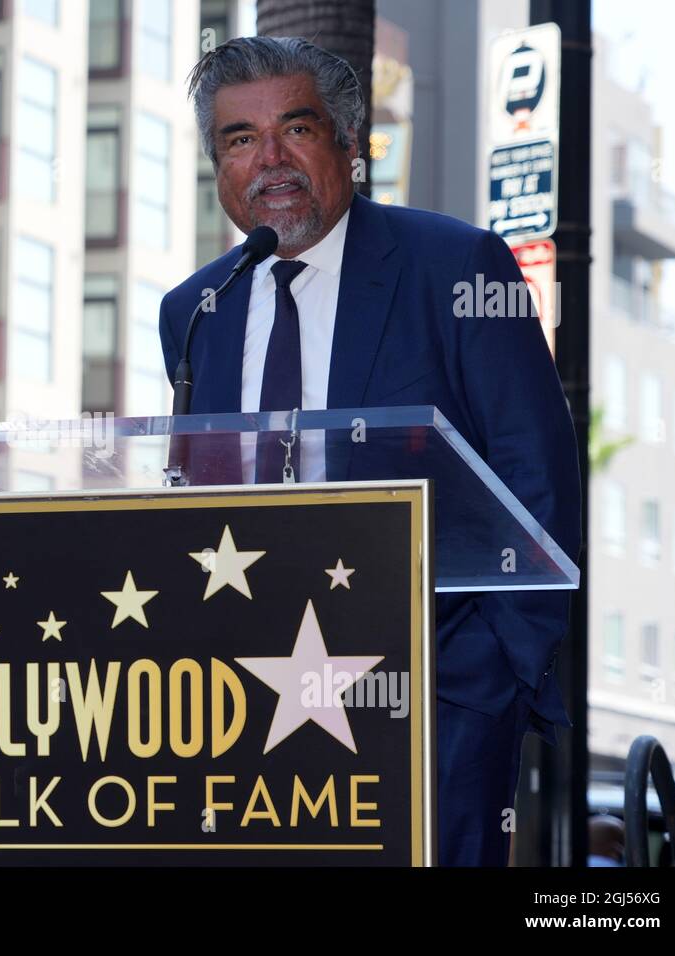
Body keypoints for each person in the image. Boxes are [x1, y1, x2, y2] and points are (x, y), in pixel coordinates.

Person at [159, 36, 581, 866]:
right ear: (218, 166)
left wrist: (493, 674)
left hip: (433, 698)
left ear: (349, 143)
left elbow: (538, 474)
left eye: (297, 129)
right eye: (240, 139)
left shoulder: (460, 264)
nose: (269, 159)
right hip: (242, 702)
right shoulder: (195, 308)